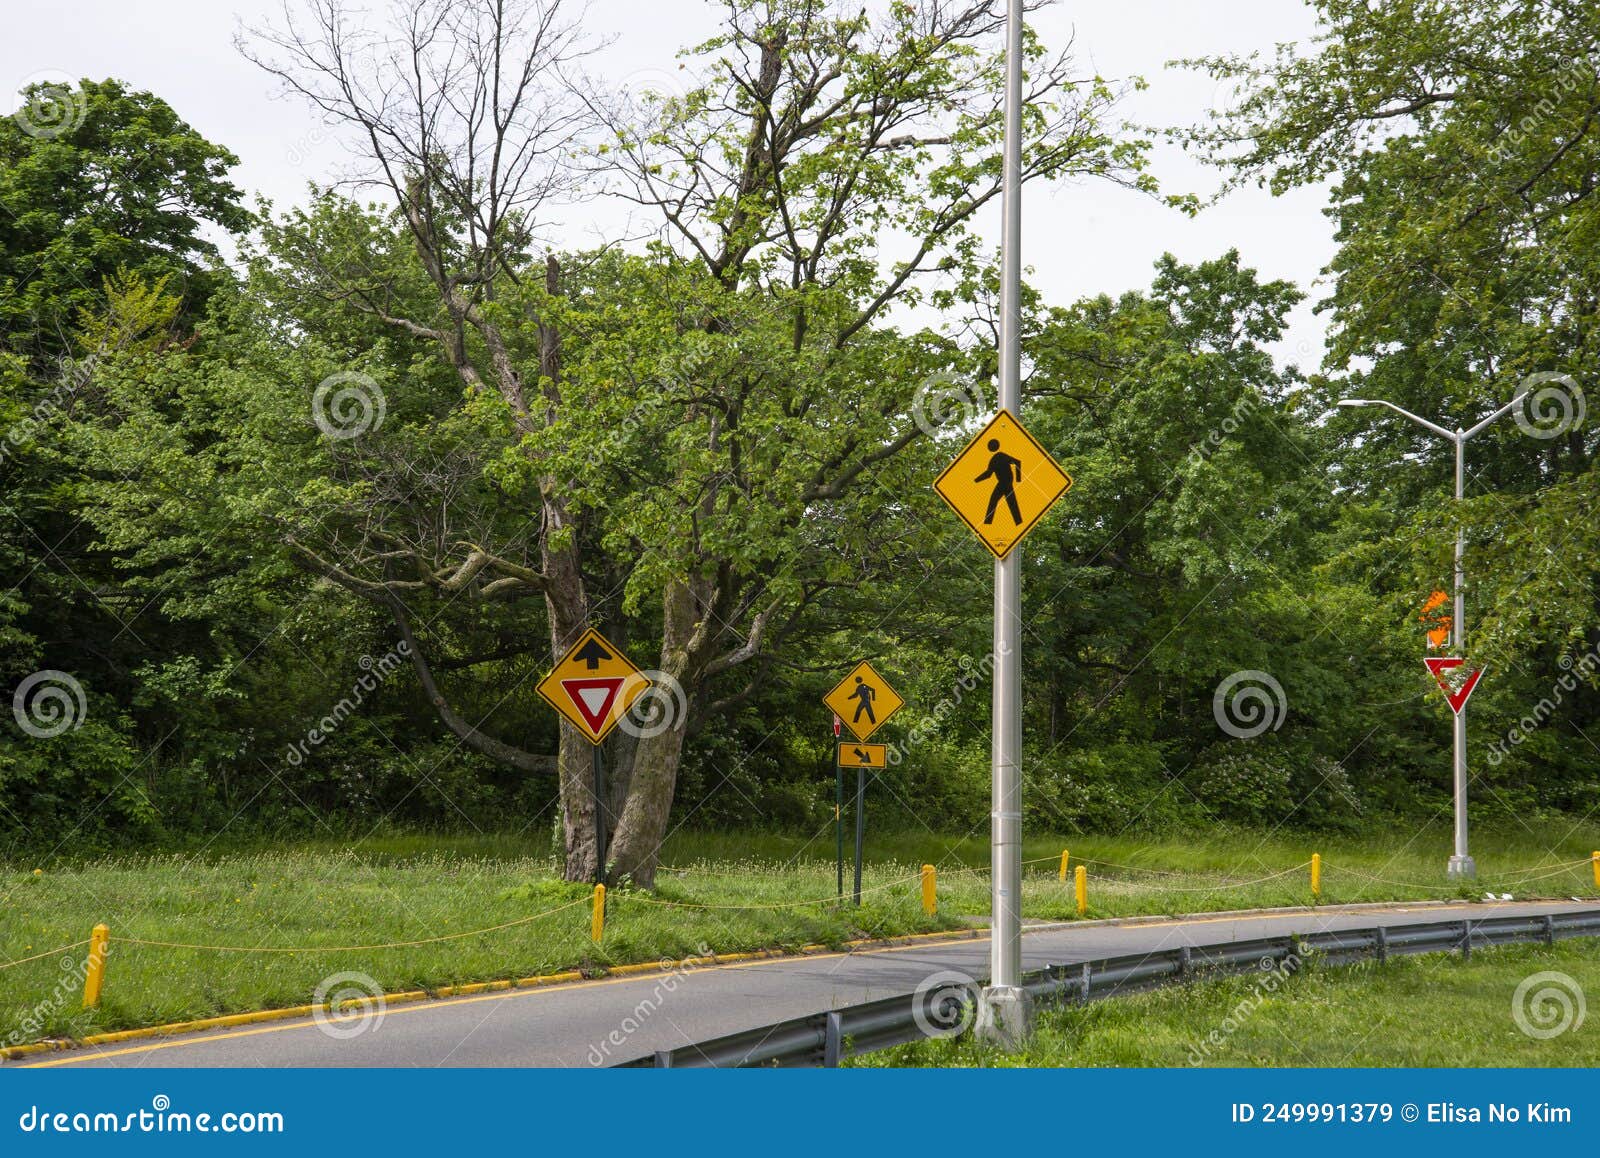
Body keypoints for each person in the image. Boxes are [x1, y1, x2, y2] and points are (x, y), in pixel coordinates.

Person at [975, 438, 1022, 525]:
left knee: (995, 501)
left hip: (1005, 482)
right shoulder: (994, 459)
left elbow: (1017, 462)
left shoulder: (1000, 456)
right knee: (1011, 502)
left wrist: (1018, 479)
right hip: (1004, 482)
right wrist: (975, 480)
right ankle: (1018, 522)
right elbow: (988, 474)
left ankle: (987, 523)